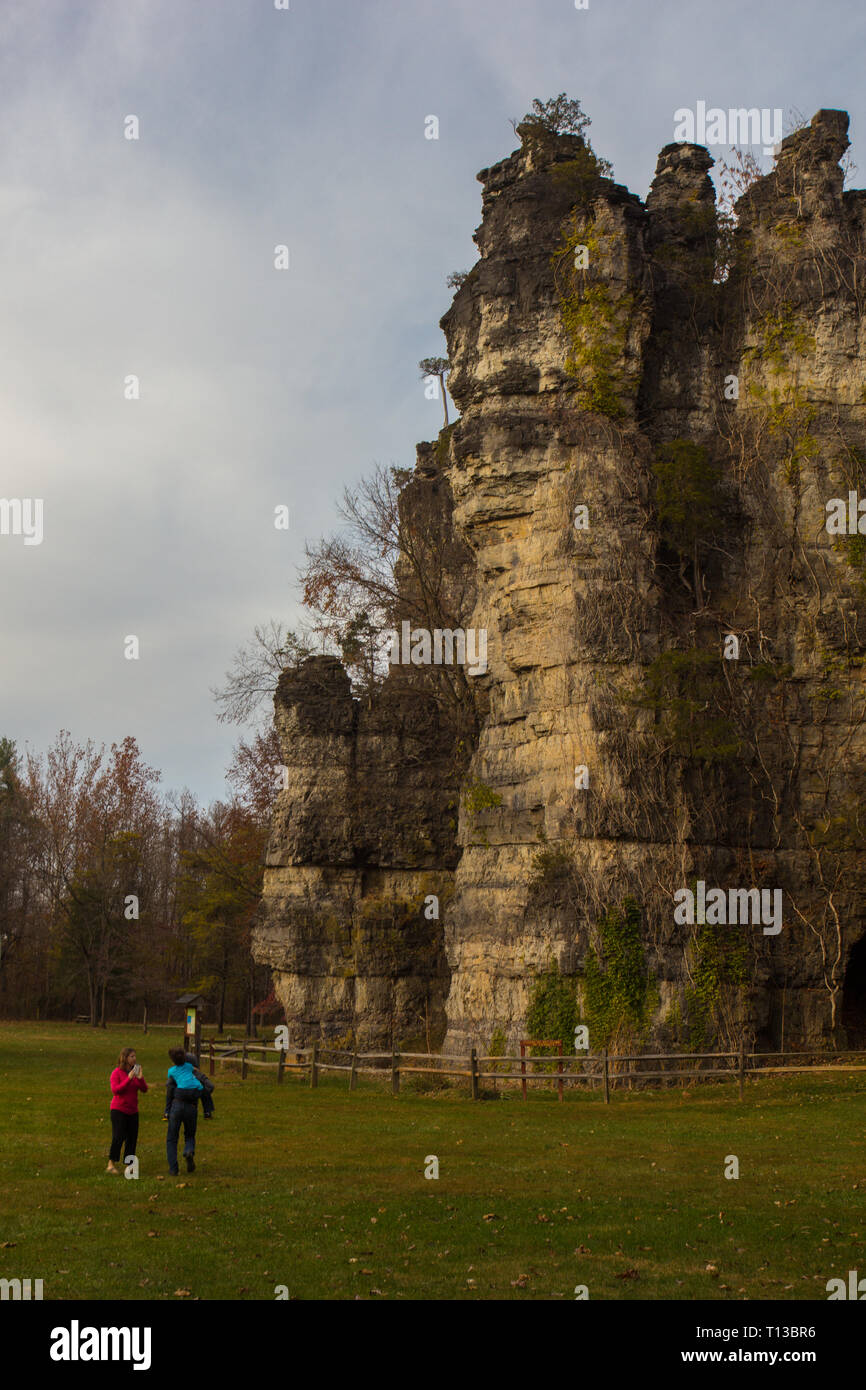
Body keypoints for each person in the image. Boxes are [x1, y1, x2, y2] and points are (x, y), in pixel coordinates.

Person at [107, 1047, 148, 1175]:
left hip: (132, 1110)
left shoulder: (135, 1073)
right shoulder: (116, 1073)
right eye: (131, 1056)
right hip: (119, 1109)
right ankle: (111, 1163)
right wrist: (128, 1079)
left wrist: (140, 1078)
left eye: (135, 1056)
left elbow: (144, 1089)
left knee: (132, 1138)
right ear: (125, 1058)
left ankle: (129, 1165)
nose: (134, 1059)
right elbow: (116, 1090)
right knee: (118, 1136)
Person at [163, 1047, 204, 1175]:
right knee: (190, 1134)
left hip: (177, 1106)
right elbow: (204, 1089)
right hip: (192, 1107)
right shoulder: (192, 1072)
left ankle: (173, 1169)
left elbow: (169, 1091)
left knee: (172, 1138)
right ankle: (189, 1150)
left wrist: (167, 1110)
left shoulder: (173, 1073)